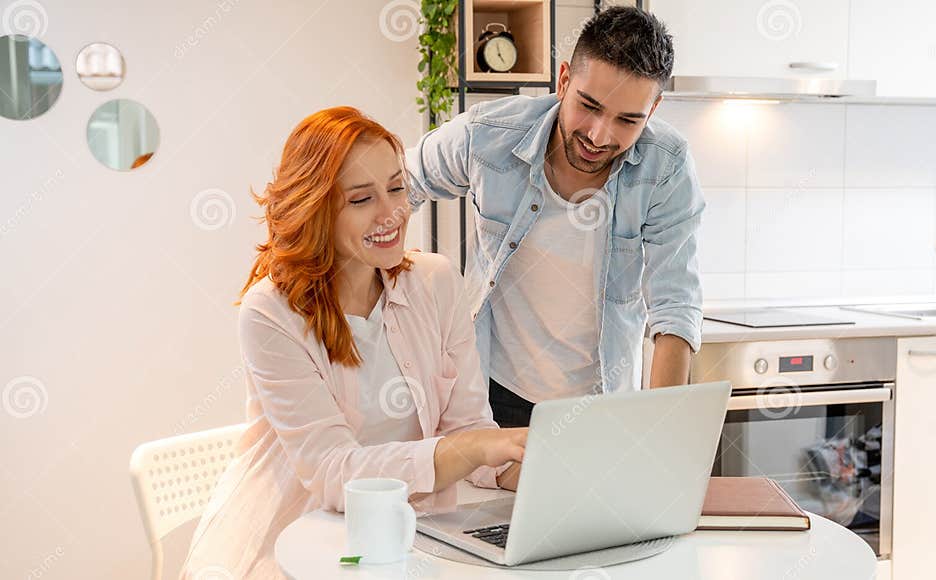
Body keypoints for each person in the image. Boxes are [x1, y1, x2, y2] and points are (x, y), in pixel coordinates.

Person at [179, 106, 526, 579]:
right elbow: (332, 472)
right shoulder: (271, 313)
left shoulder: (435, 282)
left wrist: (520, 467)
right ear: (317, 208)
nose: (391, 214)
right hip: (293, 538)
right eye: (362, 199)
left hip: (405, 537)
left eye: (397, 188)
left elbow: (467, 427)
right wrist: (473, 449)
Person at [405, 6, 705, 427]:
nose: (599, 136)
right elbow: (401, 181)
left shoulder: (666, 167)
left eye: (627, 120)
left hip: (604, 402)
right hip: (494, 392)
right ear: (564, 80)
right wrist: (387, 275)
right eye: (589, 106)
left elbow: (675, 305)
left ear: (652, 111)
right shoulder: (489, 136)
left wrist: (662, 429)